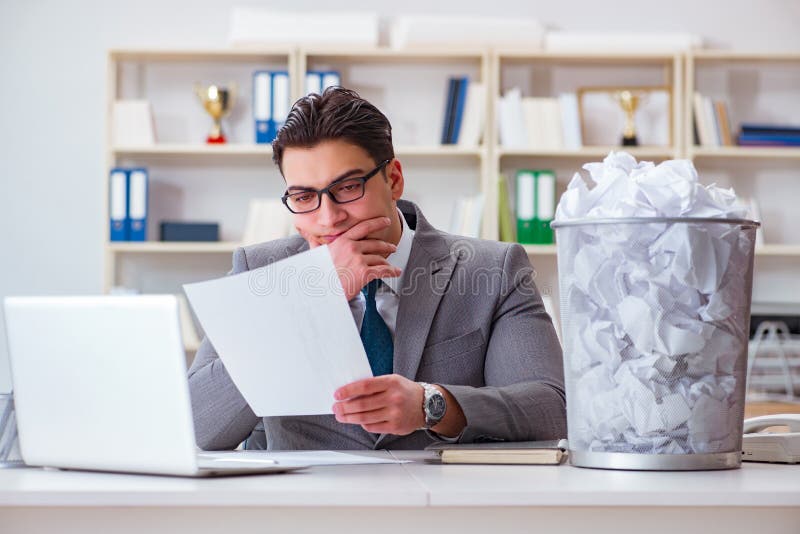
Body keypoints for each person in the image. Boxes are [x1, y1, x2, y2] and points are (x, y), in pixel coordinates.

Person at [188, 87, 566, 451]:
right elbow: (199, 427)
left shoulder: (493, 270)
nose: (329, 217)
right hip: (305, 508)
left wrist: (431, 405)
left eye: (349, 187)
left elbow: (550, 411)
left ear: (394, 179)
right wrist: (313, 299)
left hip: (447, 507)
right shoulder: (258, 269)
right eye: (304, 197)